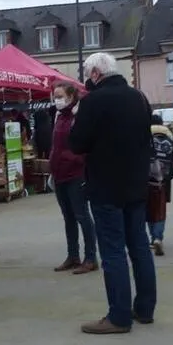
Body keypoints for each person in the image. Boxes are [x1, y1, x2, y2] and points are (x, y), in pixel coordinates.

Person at [69, 52, 157, 334]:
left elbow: (77, 144)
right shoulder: (138, 98)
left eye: (86, 73)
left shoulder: (92, 102)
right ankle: (144, 309)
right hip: (136, 184)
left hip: (106, 186)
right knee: (139, 246)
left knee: (113, 251)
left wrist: (76, 120)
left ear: (95, 73)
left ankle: (119, 316)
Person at [49, 83, 98, 275]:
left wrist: (75, 160)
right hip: (59, 173)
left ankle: (91, 257)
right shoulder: (58, 116)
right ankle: (73, 256)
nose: (57, 100)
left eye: (60, 96)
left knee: (82, 216)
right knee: (68, 217)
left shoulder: (78, 116)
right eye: (55, 96)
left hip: (75, 174)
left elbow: (85, 144)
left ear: (71, 97)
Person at [148, 114, 173, 256]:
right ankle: (158, 237)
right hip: (164, 183)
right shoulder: (170, 143)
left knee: (148, 210)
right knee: (160, 212)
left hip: (146, 181)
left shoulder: (146, 140)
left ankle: (152, 237)